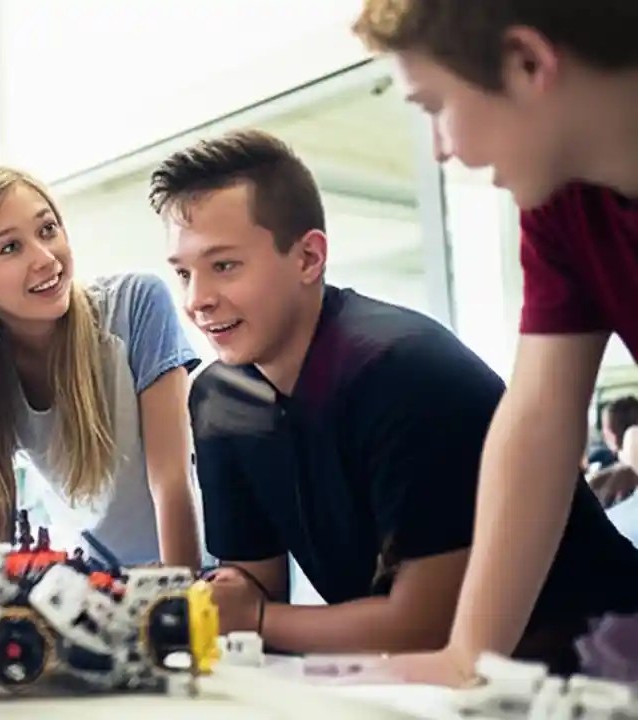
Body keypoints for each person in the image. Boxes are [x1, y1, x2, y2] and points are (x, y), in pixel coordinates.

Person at [154, 128, 638, 665]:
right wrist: (238, 606)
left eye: (224, 266)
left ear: (309, 257)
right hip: (423, 678)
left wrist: (259, 619)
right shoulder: (220, 396)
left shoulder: (403, 370)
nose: (197, 300)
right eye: (182, 273)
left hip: (592, 660)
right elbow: (247, 595)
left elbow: (426, 626)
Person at [351, 0, 638, 684]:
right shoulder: (564, 202)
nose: (441, 148)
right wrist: (469, 656)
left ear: (527, 62)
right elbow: (538, 417)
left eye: (434, 106)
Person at [0, 165, 205, 569]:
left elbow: (171, 482)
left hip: (199, 568)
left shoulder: (135, 304)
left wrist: (179, 601)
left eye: (47, 230)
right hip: (99, 585)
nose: (45, 258)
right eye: (10, 247)